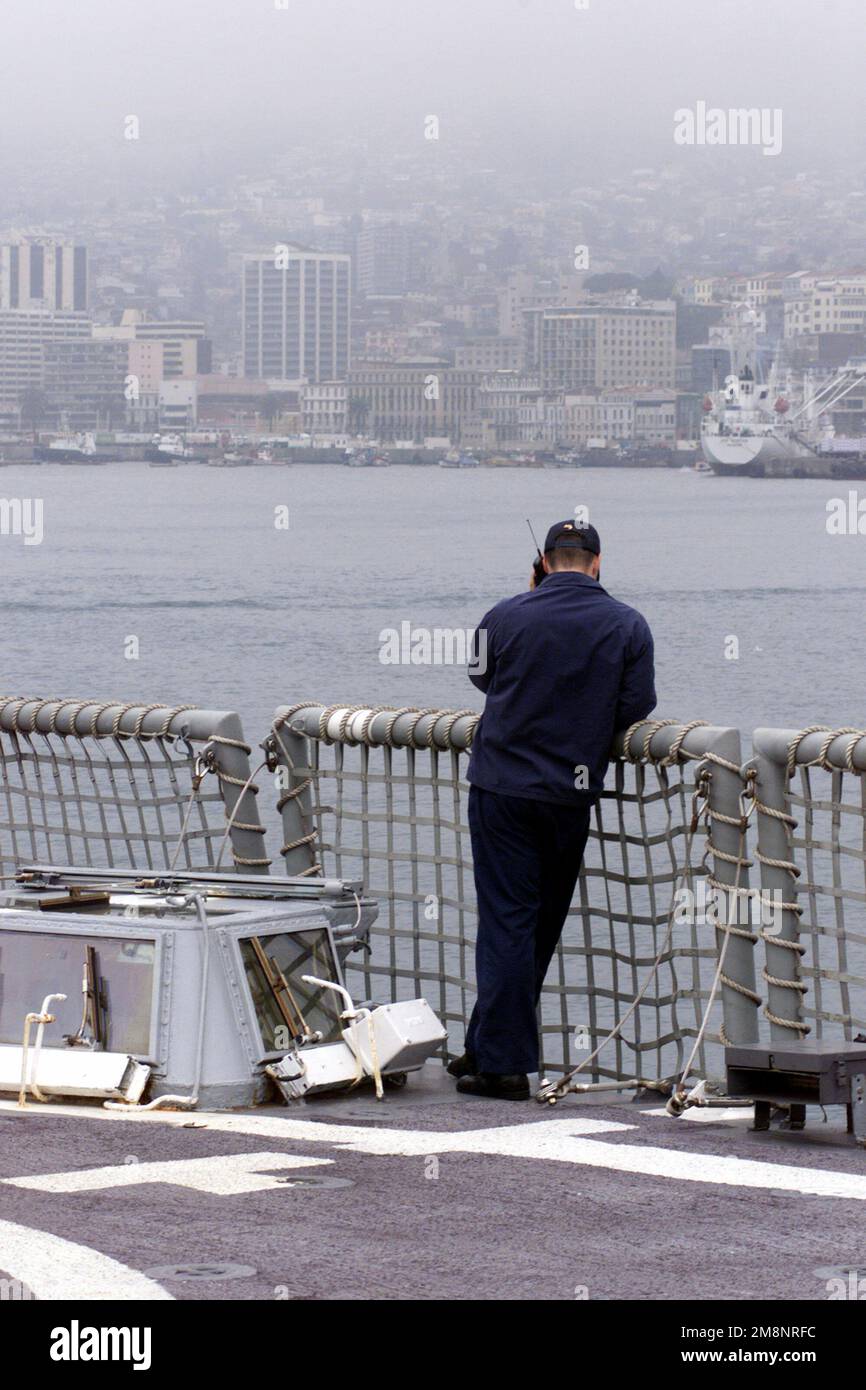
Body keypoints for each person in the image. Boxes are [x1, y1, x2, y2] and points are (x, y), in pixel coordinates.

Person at [451, 519, 656, 1100]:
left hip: (502, 788)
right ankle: (489, 1047)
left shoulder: (506, 614)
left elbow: (482, 677)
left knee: (507, 922)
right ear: (596, 564)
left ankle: (504, 1064)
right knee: (538, 925)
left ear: (543, 563)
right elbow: (637, 702)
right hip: (571, 793)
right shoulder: (627, 624)